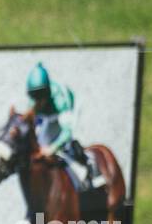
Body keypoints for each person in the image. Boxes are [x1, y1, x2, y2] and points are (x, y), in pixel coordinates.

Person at [24, 62, 100, 190]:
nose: (37, 102)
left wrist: (52, 149)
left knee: (64, 145)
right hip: (49, 116)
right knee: (42, 141)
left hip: (67, 109)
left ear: (47, 94)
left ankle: (87, 163)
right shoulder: (32, 101)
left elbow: (67, 132)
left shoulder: (60, 100)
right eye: (34, 98)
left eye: (40, 98)